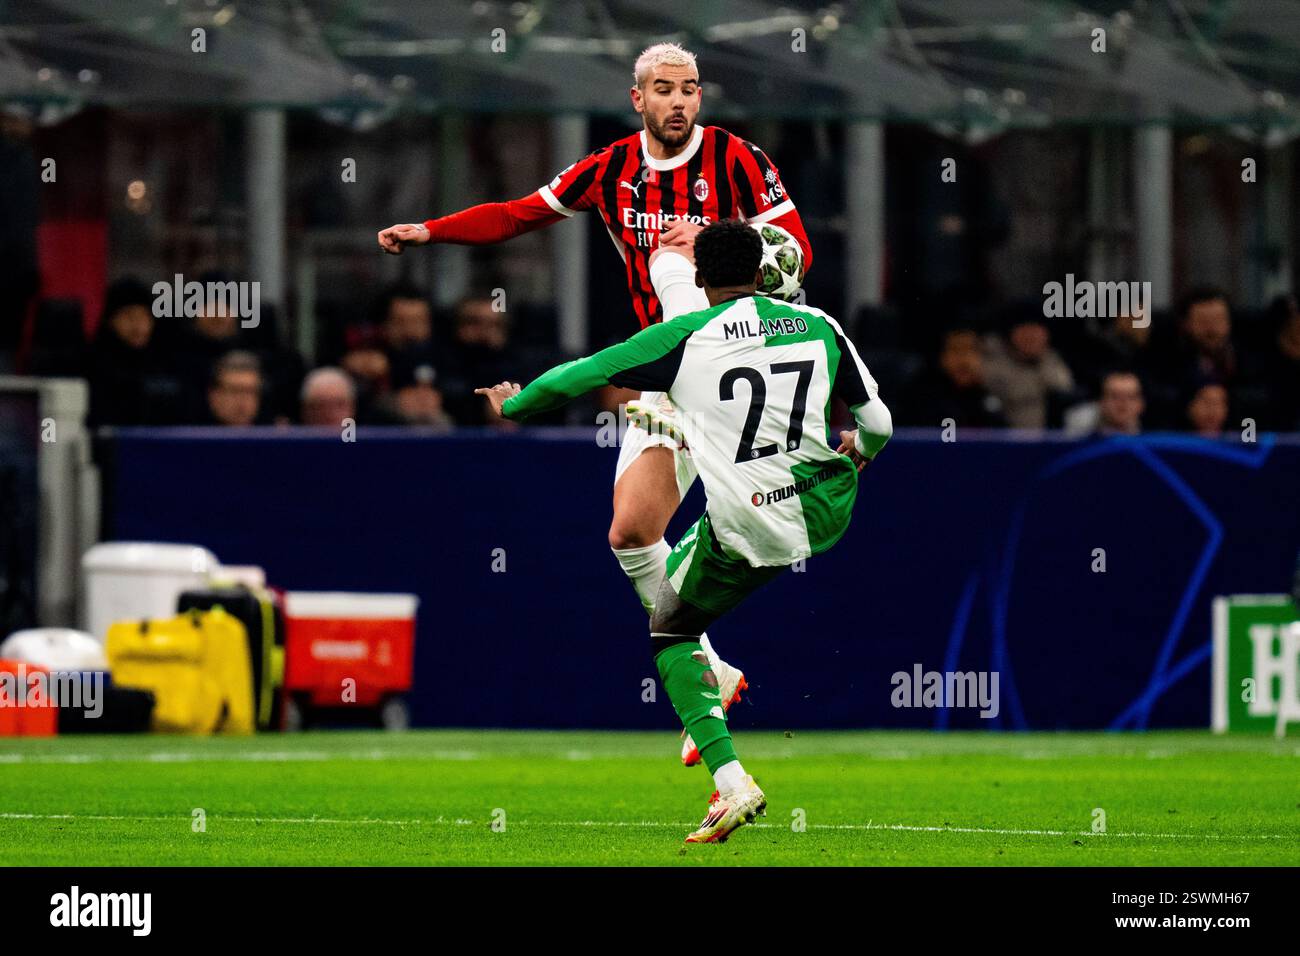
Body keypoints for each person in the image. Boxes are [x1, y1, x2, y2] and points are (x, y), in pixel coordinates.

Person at [378, 42, 814, 762]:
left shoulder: (739, 159)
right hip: (666, 370)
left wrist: (715, 235)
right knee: (631, 533)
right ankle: (711, 662)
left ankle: (706, 681)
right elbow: (520, 214)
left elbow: (797, 251)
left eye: (691, 89)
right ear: (637, 98)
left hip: (735, 362)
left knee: (738, 527)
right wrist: (433, 230)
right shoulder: (610, 169)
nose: (679, 102)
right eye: (664, 90)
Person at [475, 221, 892, 843]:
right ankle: (716, 674)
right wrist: (857, 452)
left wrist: (514, 404)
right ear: (761, 270)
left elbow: (578, 376)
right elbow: (878, 422)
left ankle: (733, 784)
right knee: (645, 546)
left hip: (748, 526)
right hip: (825, 506)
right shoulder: (823, 326)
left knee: (669, 633)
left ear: (697, 279)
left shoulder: (680, 336)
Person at [206, 351, 263, 426]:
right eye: (235, 390)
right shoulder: (194, 433)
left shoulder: (276, 433)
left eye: (250, 391)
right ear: (214, 396)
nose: (242, 399)